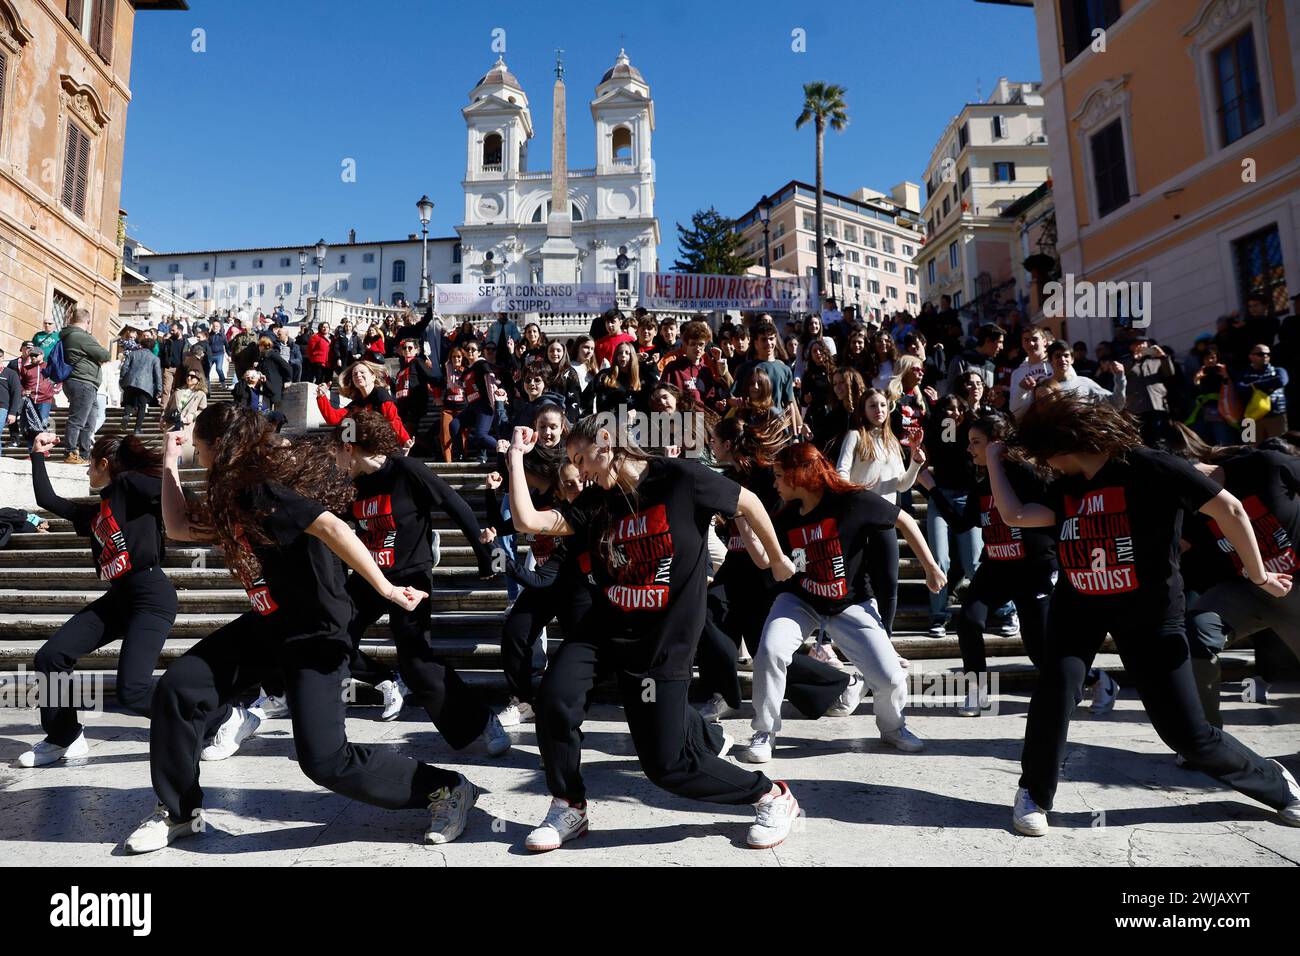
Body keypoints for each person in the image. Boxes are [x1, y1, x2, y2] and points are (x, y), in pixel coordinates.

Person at [125, 405, 481, 853]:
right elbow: (177, 527)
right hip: (271, 623)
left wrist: (387, 589)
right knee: (179, 689)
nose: (197, 457)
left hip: (315, 633)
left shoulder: (258, 488)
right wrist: (170, 462)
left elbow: (331, 526)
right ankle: (179, 814)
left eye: (198, 449)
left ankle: (447, 789)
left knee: (326, 760)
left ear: (219, 448)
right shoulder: (233, 492)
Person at [986, 391, 1300, 836]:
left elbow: (1228, 508)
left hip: (1149, 615)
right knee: (1055, 693)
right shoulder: (1068, 485)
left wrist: (1258, 575)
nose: (1046, 466)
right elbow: (1015, 514)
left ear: (1065, 445)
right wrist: (996, 459)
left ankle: (1277, 785)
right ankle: (1034, 794)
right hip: (1079, 606)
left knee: (1188, 735)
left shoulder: (1150, 465)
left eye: (1046, 456)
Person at [505, 416, 805, 850]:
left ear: (606, 441)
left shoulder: (681, 479)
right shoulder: (597, 502)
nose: (579, 471)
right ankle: (569, 804)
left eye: (581, 458)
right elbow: (527, 520)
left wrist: (776, 558)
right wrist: (515, 457)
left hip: (662, 644)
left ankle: (771, 794)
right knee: (554, 698)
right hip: (603, 628)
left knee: (667, 767)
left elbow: (750, 503)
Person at [736, 441, 945, 763]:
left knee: (890, 679)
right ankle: (765, 731)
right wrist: (742, 521)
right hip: (799, 599)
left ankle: (893, 728)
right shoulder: (786, 515)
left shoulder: (851, 502)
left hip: (851, 603)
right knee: (771, 651)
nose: (775, 483)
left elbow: (904, 519)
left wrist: (930, 567)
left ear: (799, 475)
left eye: (779, 475)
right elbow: (766, 562)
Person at [331, 409, 507, 752]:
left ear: (350, 446)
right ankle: (385, 681)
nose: (334, 458)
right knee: (333, 635)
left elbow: (456, 504)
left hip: (410, 575)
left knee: (416, 664)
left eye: (336, 450)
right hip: (372, 577)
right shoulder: (353, 486)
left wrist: (485, 557)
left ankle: (483, 719)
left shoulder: (406, 471)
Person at [19, 432, 178, 768]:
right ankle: (64, 736)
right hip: (119, 599)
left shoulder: (129, 487)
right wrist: (36, 454)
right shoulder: (96, 513)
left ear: (104, 465)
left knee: (132, 691)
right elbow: (47, 498)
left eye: (90, 466)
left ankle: (215, 718)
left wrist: (169, 460)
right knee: (51, 657)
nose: (86, 472)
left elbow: (174, 494)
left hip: (151, 596)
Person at [316, 359, 411, 449]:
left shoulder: (380, 393)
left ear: (373, 377)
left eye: (362, 372)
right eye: (355, 374)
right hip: (365, 446)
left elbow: (393, 420)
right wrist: (321, 397)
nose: (358, 375)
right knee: (347, 425)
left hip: (383, 445)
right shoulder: (357, 402)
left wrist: (405, 439)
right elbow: (334, 419)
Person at [58, 307, 110, 466]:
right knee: (78, 420)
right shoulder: (80, 336)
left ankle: (85, 453)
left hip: (86, 383)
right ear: (87, 321)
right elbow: (105, 355)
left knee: (90, 420)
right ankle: (70, 452)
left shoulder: (70, 335)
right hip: (82, 381)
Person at [1236, 343, 1289, 441]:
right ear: (1250, 356)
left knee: (1281, 449)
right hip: (1250, 420)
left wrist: (1254, 386)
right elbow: (1241, 389)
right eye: (1260, 354)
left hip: (1276, 417)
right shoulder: (1243, 374)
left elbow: (1281, 381)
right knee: (1251, 451)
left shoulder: (1279, 371)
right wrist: (1269, 384)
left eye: (1268, 354)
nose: (1265, 356)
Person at [119, 339, 162, 435]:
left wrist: (122, 379)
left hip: (130, 382)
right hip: (145, 386)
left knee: (128, 402)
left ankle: (126, 415)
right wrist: (159, 389)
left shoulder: (132, 354)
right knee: (142, 407)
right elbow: (158, 375)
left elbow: (124, 368)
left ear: (141, 344)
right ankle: (137, 429)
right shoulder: (155, 358)